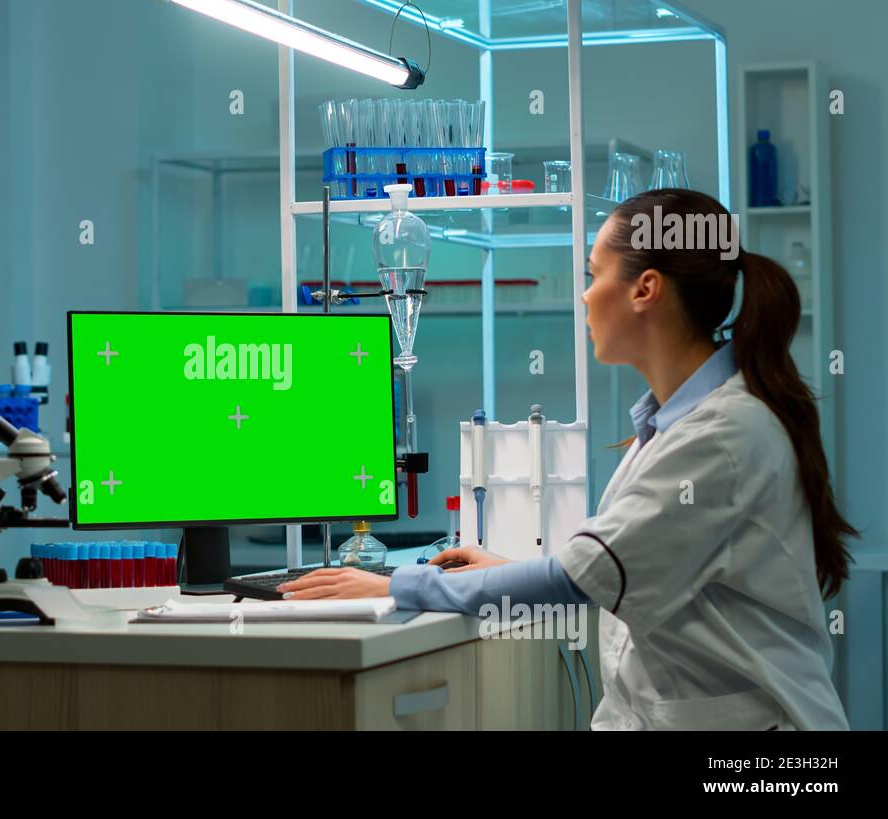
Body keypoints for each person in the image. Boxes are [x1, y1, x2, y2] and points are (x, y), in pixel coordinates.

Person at [281, 189, 853, 731]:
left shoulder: (721, 434)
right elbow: (620, 567)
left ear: (644, 289)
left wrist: (396, 587)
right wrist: (503, 569)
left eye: (594, 275)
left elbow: (574, 581)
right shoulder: (677, 423)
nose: (583, 295)